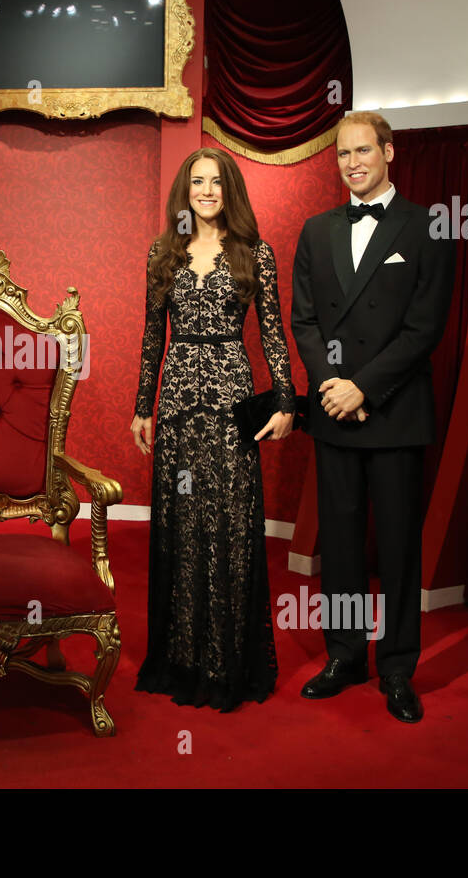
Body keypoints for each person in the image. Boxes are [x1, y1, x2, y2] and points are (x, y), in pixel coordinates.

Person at [289, 111, 455, 723]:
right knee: (339, 544)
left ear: (389, 152)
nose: (352, 163)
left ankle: (397, 669)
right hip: (334, 409)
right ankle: (345, 656)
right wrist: (331, 387)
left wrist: (363, 388)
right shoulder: (316, 229)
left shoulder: (426, 227)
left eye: (363, 151)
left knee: (398, 548)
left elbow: (424, 328)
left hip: (394, 412)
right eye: (342, 155)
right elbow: (303, 319)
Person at [131, 146, 296, 711]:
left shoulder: (256, 252)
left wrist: (287, 398)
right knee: (183, 524)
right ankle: (180, 657)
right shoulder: (163, 253)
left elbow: (273, 330)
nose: (206, 191)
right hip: (177, 404)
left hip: (230, 398)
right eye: (197, 182)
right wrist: (142, 408)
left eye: (217, 182)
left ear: (231, 191)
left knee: (229, 524)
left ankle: (227, 662)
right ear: (185, 190)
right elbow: (154, 337)